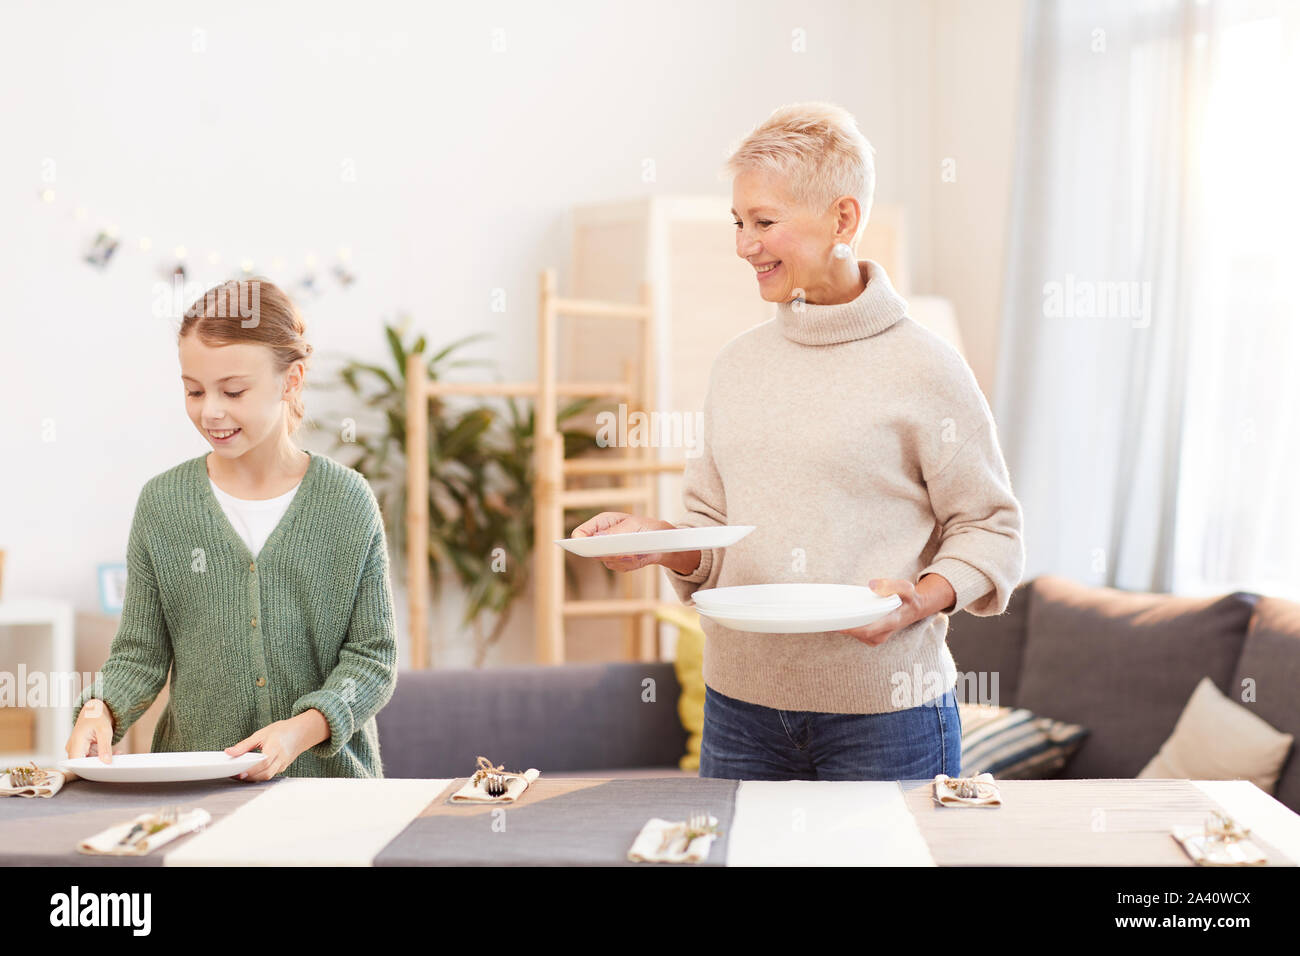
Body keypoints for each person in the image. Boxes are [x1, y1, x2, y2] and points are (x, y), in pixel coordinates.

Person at [572, 102, 1025, 781]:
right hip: (739, 711)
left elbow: (992, 528)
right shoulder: (738, 365)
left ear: (842, 219)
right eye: (737, 222)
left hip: (887, 715)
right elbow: (713, 533)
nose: (742, 244)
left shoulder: (926, 367)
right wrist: (660, 537)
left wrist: (920, 598)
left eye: (764, 222)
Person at [65, 278, 398, 779]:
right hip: (193, 793)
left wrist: (301, 729)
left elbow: (373, 658)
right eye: (194, 390)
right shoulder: (164, 504)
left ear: (291, 380)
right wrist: (100, 710)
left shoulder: (346, 503)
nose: (210, 411)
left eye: (234, 390)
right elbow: (139, 654)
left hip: (330, 794)